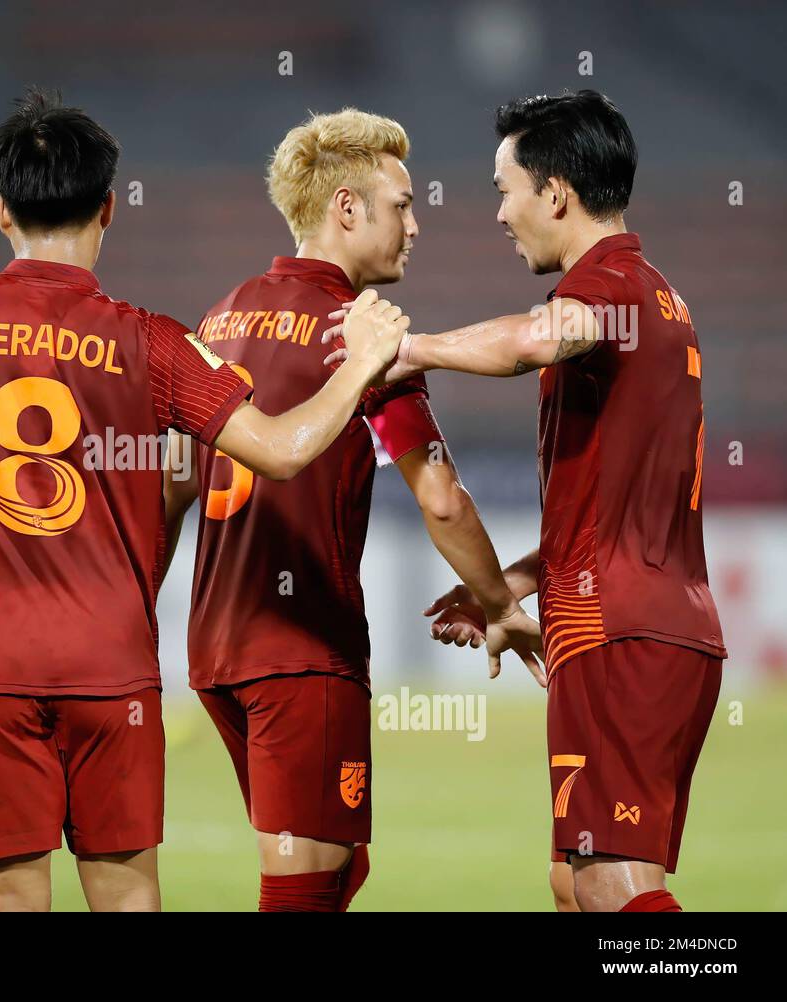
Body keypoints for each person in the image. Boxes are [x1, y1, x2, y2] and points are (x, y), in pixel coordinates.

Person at [0, 89, 420, 912]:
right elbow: (281, 450)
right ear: (110, 210)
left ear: (3, 212)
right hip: (109, 671)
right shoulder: (151, 343)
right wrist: (360, 362)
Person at [326, 90, 725, 912]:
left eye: (505, 189)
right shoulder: (657, 298)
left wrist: (408, 352)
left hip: (618, 624)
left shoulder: (608, 285)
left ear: (555, 193)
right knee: (575, 881)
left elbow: (541, 337)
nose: (500, 214)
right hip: (651, 614)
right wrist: (507, 583)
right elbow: (616, 500)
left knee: (612, 882)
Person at [161, 107, 543, 912]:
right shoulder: (359, 334)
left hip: (215, 647)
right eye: (401, 205)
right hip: (301, 652)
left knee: (334, 870)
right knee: (304, 885)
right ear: (346, 209)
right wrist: (502, 604)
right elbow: (440, 500)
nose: (414, 225)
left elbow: (173, 481)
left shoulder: (219, 316)